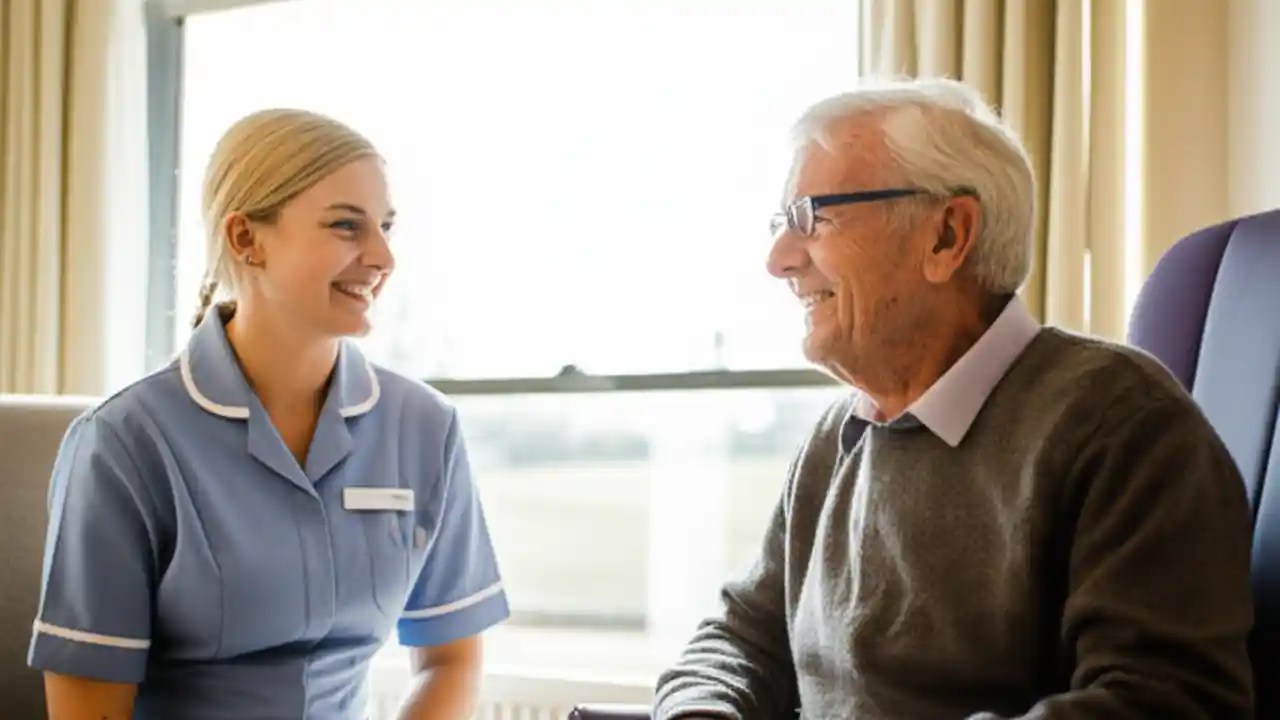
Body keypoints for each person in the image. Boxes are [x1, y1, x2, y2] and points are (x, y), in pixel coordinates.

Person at [654, 78, 1255, 719]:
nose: (779, 259)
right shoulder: (837, 439)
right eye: (783, 224)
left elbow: (1165, 703)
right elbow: (739, 641)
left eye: (813, 218)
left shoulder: (1121, 424)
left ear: (947, 236)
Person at [28, 109, 509, 719]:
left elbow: (451, 659)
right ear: (246, 239)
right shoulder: (123, 444)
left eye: (386, 226)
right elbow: (89, 709)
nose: (383, 256)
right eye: (346, 226)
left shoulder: (424, 428)